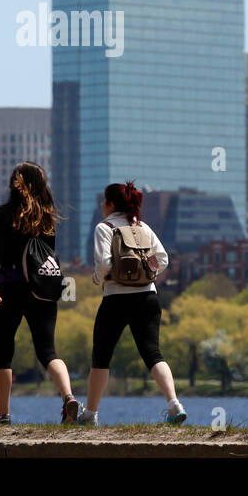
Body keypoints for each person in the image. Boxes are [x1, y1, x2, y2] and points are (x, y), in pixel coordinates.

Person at [78, 180, 186, 426]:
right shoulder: (143, 227)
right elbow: (163, 259)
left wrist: (98, 278)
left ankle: (91, 414)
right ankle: (174, 404)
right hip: (148, 297)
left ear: (111, 204)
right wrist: (145, 275)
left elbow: (104, 264)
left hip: (115, 298)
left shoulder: (104, 228)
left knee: (101, 356)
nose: (102, 206)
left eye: (104, 202)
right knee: (153, 354)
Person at [0, 160, 80, 424]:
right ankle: (69, 398)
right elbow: (48, 255)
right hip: (42, 291)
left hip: (9, 289)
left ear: (15, 184)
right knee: (48, 350)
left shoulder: (0, 215)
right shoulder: (47, 215)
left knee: (3, 350)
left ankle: (3, 414)